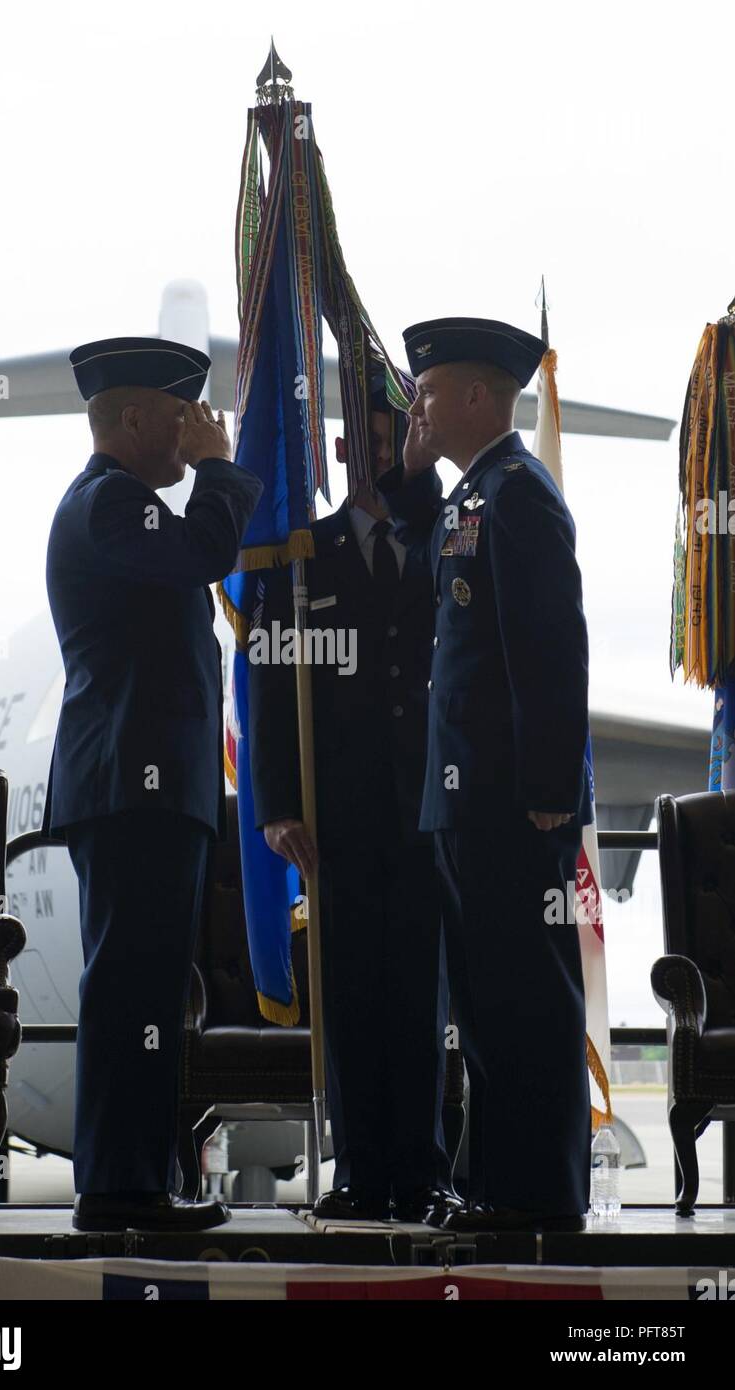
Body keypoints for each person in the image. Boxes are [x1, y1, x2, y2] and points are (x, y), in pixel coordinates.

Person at [42, 336, 262, 1232]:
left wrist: (207, 466)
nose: (194, 432)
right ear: (129, 420)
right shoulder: (108, 506)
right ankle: (119, 1189)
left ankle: (135, 1179)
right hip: (131, 789)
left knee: (146, 990)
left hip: (151, 788)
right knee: (131, 989)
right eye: (179, 418)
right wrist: (222, 470)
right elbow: (203, 552)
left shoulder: (122, 507)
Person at [377, 317, 592, 1233]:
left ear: (475, 396)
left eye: (426, 392)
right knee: (484, 998)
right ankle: (499, 1183)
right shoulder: (474, 498)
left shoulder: (520, 497)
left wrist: (550, 790)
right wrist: (412, 467)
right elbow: (429, 560)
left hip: (512, 803)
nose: (414, 407)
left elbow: (550, 653)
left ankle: (537, 1192)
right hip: (463, 799)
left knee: (523, 1000)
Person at [248, 373, 458, 1223]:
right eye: (366, 443)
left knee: (420, 1000)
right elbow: (265, 681)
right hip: (333, 816)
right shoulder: (302, 558)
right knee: (349, 999)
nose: (378, 457)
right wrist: (275, 804)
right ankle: (359, 1172)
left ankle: (426, 1173)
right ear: (339, 451)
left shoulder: (443, 539)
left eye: (390, 440)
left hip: (425, 810)